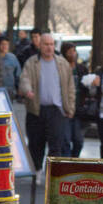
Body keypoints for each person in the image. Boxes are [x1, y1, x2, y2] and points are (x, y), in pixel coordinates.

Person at [19, 33, 75, 169]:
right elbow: (24, 79)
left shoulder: (62, 63)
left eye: (51, 44)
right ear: (40, 45)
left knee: (56, 145)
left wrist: (71, 108)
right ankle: (37, 170)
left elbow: (70, 87)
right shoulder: (32, 63)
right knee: (36, 144)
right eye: (46, 44)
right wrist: (28, 91)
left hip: (57, 110)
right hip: (37, 110)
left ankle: (52, 173)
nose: (49, 47)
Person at [61, 41, 87, 158]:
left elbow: (86, 88)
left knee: (78, 141)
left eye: (74, 51)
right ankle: (67, 162)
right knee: (65, 140)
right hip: (65, 110)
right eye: (70, 51)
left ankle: (74, 159)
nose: (73, 54)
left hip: (78, 110)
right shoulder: (61, 68)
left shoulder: (81, 68)